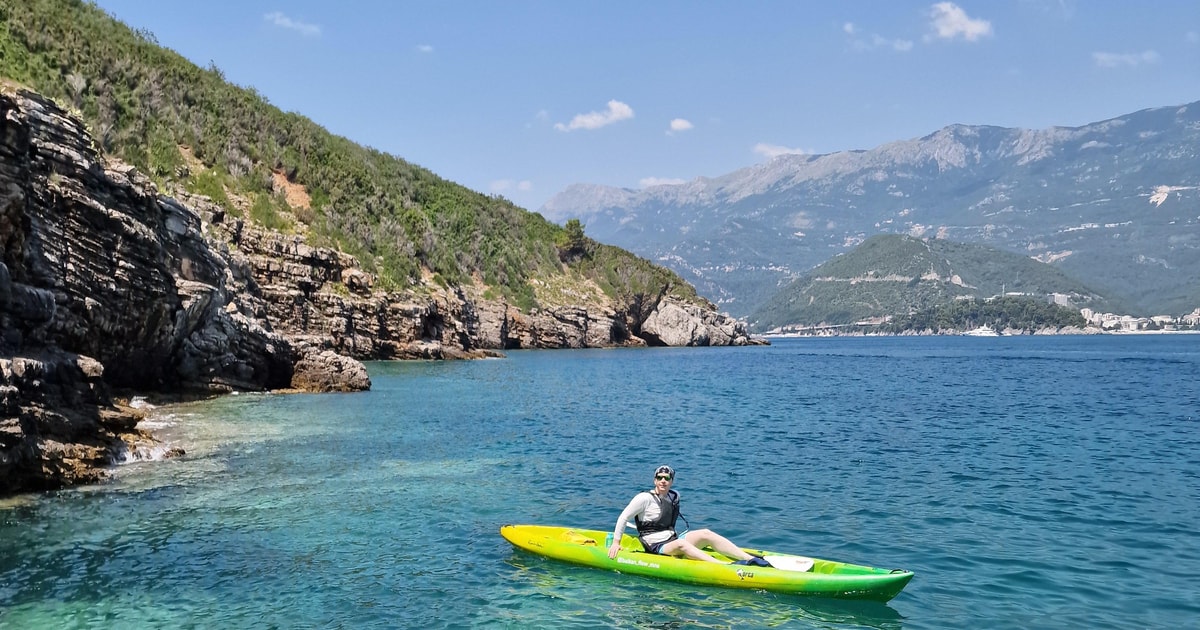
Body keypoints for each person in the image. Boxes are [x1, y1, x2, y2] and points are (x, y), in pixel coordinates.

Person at [607, 465, 770, 566]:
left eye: (667, 478)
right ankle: (723, 566)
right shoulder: (643, 498)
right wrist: (616, 543)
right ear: (654, 480)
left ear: (671, 481)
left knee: (705, 533)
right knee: (681, 544)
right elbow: (623, 518)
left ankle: (750, 558)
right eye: (659, 478)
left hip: (672, 539)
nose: (663, 481)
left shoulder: (673, 496)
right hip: (656, 546)